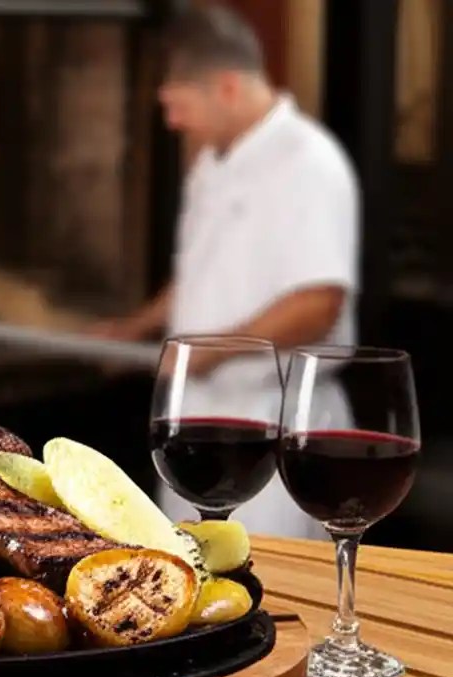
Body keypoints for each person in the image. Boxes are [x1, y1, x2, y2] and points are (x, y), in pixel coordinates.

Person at [91, 3, 359, 539]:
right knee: (184, 583)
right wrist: (135, 330)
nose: (171, 123)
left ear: (229, 88)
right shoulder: (215, 160)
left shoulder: (307, 162)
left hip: (267, 428)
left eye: (179, 106)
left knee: (268, 591)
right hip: (197, 417)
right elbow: (201, 272)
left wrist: (208, 352)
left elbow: (319, 303)